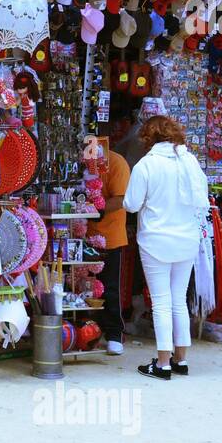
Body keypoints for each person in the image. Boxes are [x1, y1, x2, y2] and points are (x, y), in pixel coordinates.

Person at [121, 115, 209, 380]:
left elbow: (131, 204)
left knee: (161, 302)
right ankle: (180, 359)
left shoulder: (146, 165)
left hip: (156, 240)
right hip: (187, 240)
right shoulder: (190, 162)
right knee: (178, 300)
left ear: (149, 137)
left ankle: (162, 363)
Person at [87, 139, 130, 355]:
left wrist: (98, 211)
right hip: (83, 235)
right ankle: (87, 331)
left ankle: (114, 334)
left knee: (110, 287)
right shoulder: (84, 161)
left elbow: (121, 198)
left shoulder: (117, 162)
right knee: (83, 287)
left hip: (110, 236)